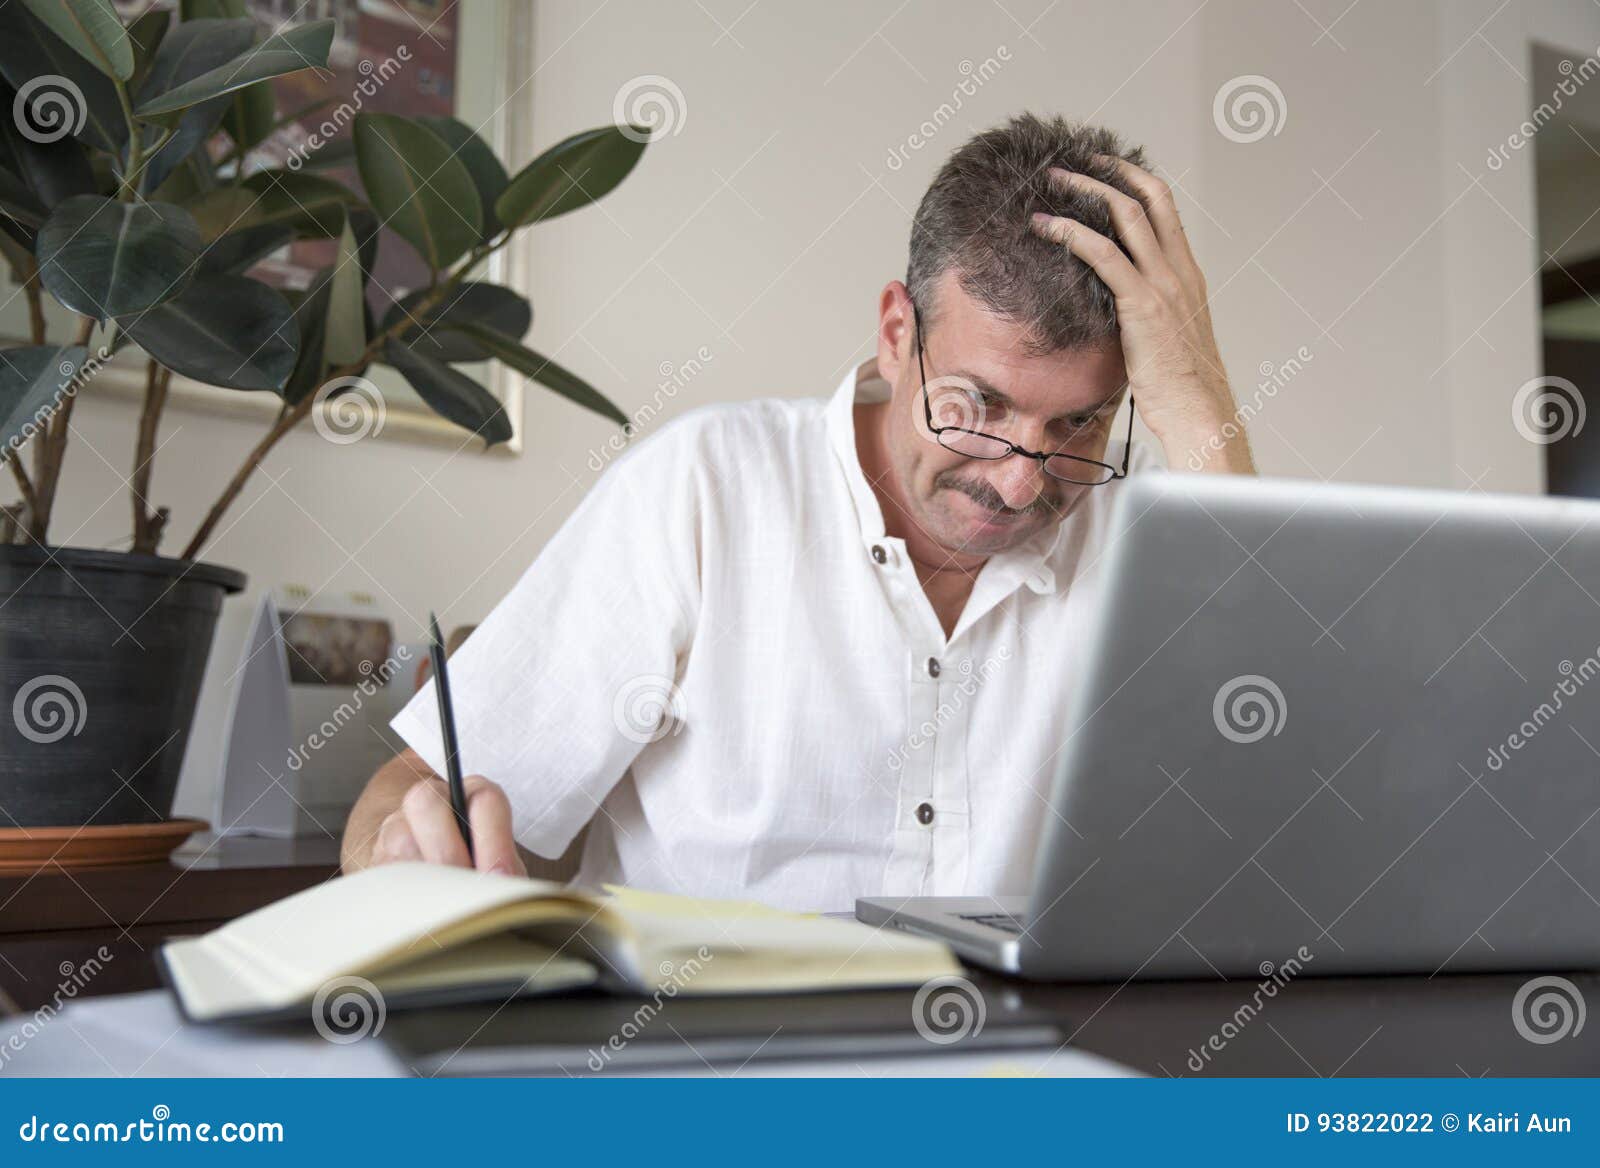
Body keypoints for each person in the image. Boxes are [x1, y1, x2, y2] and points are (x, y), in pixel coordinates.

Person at [342, 113, 1255, 910]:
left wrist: (1200, 402)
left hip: (1020, 1050)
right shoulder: (705, 487)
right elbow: (416, 786)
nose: (1019, 486)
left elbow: (1279, 791)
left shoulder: (1154, 534)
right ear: (896, 333)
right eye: (976, 407)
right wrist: (404, 851)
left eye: (1079, 423)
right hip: (695, 1042)